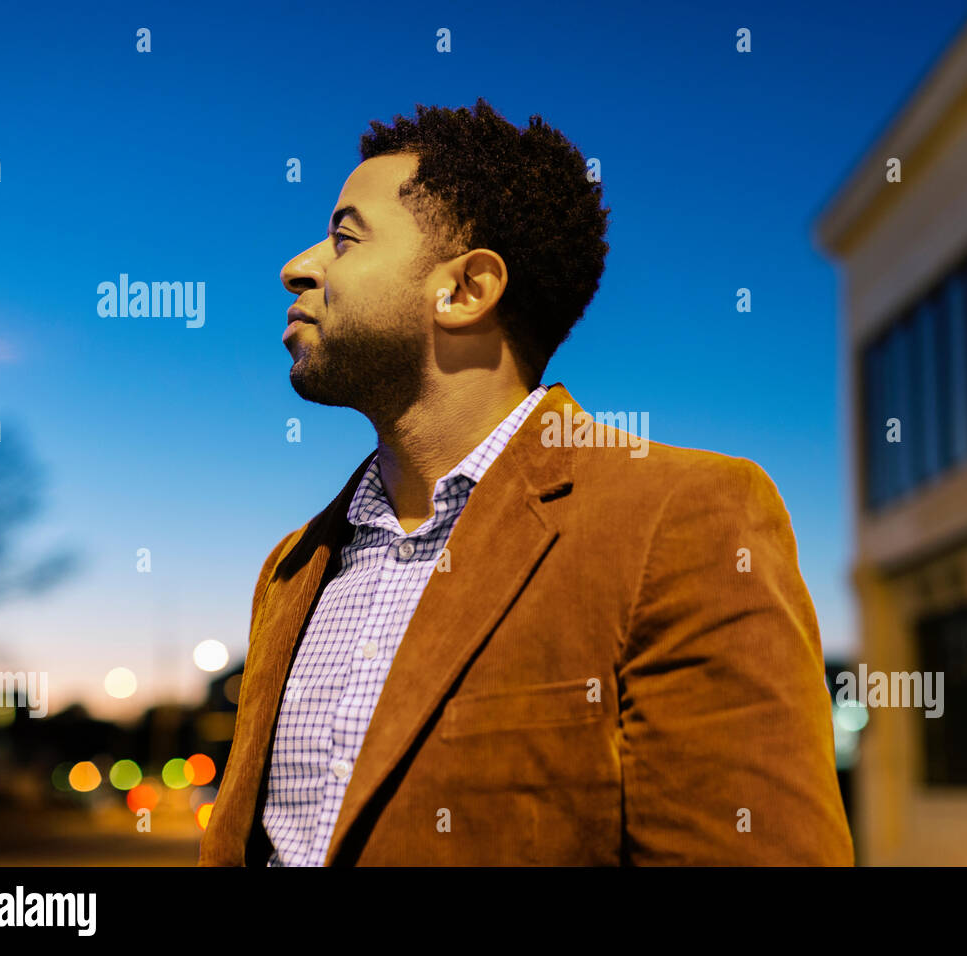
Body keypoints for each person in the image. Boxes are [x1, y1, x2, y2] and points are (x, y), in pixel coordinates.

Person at [199, 98, 852, 866]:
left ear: (467, 289)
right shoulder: (292, 566)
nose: (299, 265)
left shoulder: (685, 519)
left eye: (344, 237)